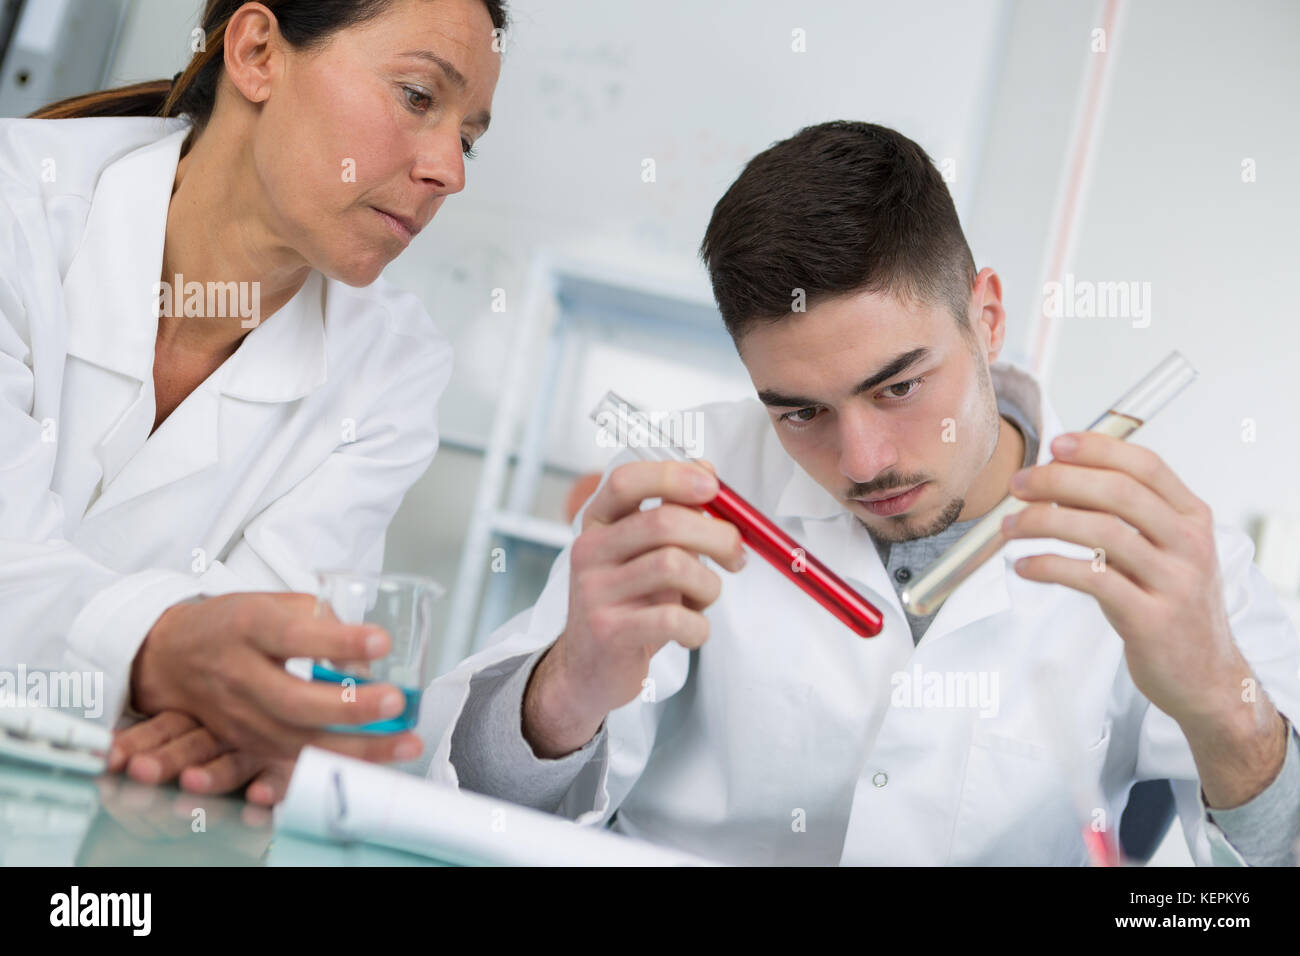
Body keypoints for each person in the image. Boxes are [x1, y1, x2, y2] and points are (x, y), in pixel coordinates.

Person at [427, 121, 1300, 865]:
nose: (863, 462)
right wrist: (569, 686)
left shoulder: (1176, 553)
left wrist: (1225, 703)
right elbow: (466, 805)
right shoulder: (687, 483)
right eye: (800, 411)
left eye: (899, 386)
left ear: (987, 317)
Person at [0, 0, 505, 805]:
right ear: (258, 51)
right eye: (417, 96)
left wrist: (241, 722)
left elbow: (260, 681)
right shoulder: (15, 205)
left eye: (469, 137)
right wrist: (158, 651)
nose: (451, 169)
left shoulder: (392, 368)